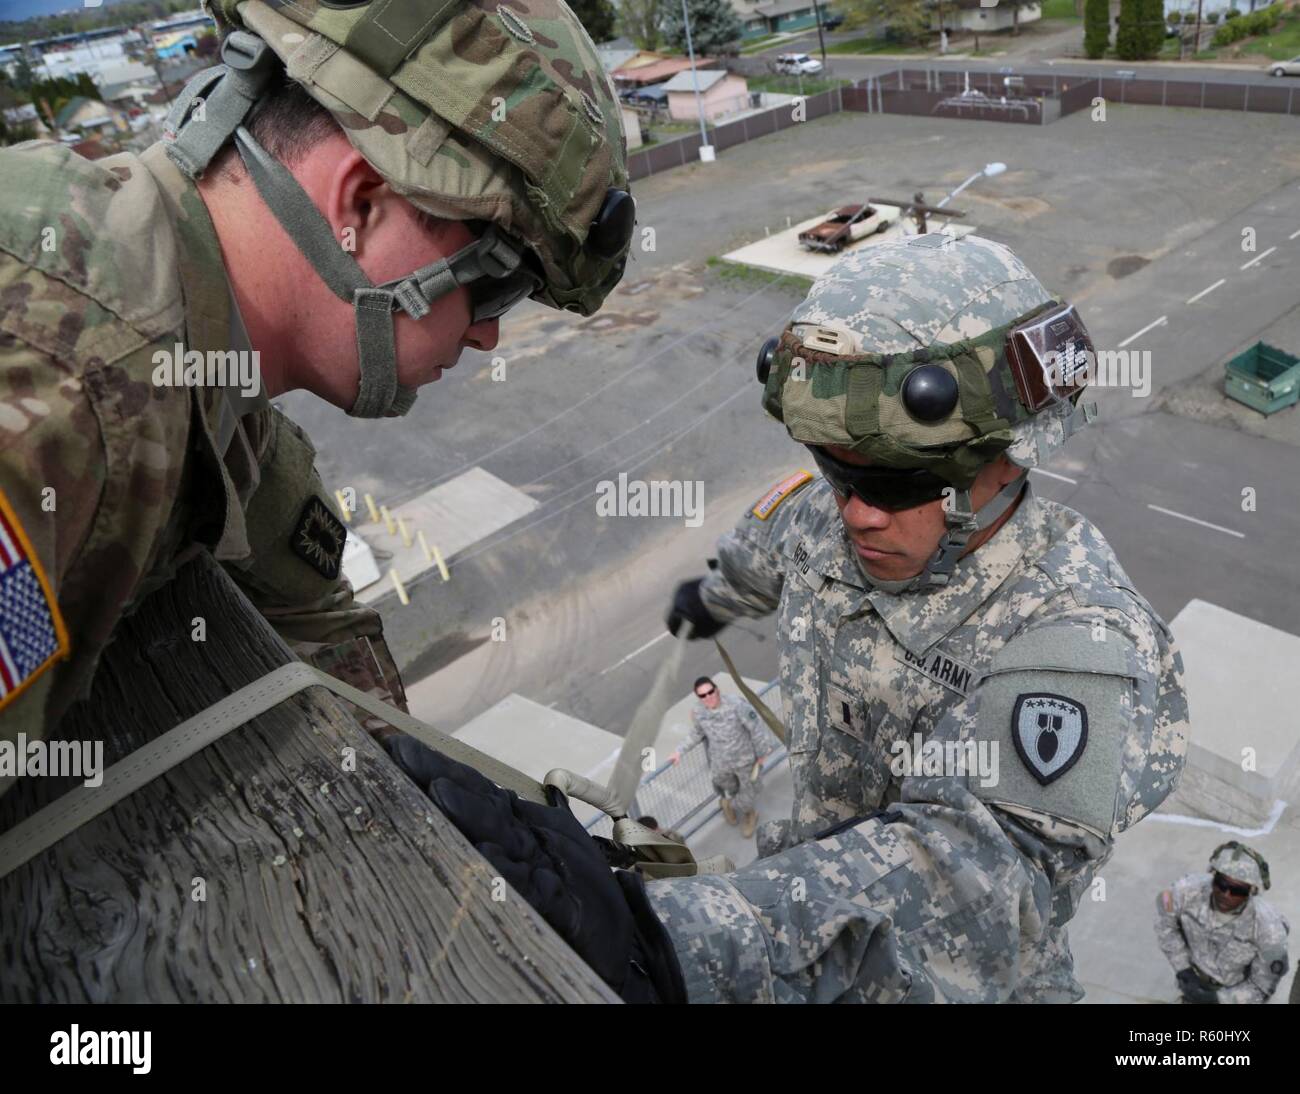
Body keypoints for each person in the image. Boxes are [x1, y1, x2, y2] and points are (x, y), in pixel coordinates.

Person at [403, 232, 1190, 1004]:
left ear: (1007, 457)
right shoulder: (825, 518)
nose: (857, 514)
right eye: (837, 469)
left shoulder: (1080, 639)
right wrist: (710, 603)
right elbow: (764, 551)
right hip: (799, 903)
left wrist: (664, 938)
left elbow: (980, 880)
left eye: (891, 482)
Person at [0, 0, 633, 777]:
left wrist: (429, 785)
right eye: (496, 286)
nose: (486, 336)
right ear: (360, 205)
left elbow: (314, 614)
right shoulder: (68, 400)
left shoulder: (214, 385)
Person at [1155, 842, 1290, 1004]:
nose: (1226, 894)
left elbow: (1262, 986)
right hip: (1191, 979)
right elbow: (1165, 926)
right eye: (1221, 883)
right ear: (1213, 876)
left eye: (1237, 891)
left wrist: (1218, 999)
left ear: (1251, 892)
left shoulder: (1270, 929)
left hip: (1234, 996)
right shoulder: (1185, 890)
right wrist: (1183, 968)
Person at [668, 676, 768, 838]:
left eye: (710, 692)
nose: (708, 697)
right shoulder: (699, 712)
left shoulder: (736, 705)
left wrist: (762, 753)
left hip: (745, 761)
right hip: (720, 763)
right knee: (730, 789)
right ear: (699, 697)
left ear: (717, 690)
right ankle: (728, 802)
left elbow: (755, 729)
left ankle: (748, 814)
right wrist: (679, 751)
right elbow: (697, 733)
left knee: (748, 792)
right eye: (703, 695)